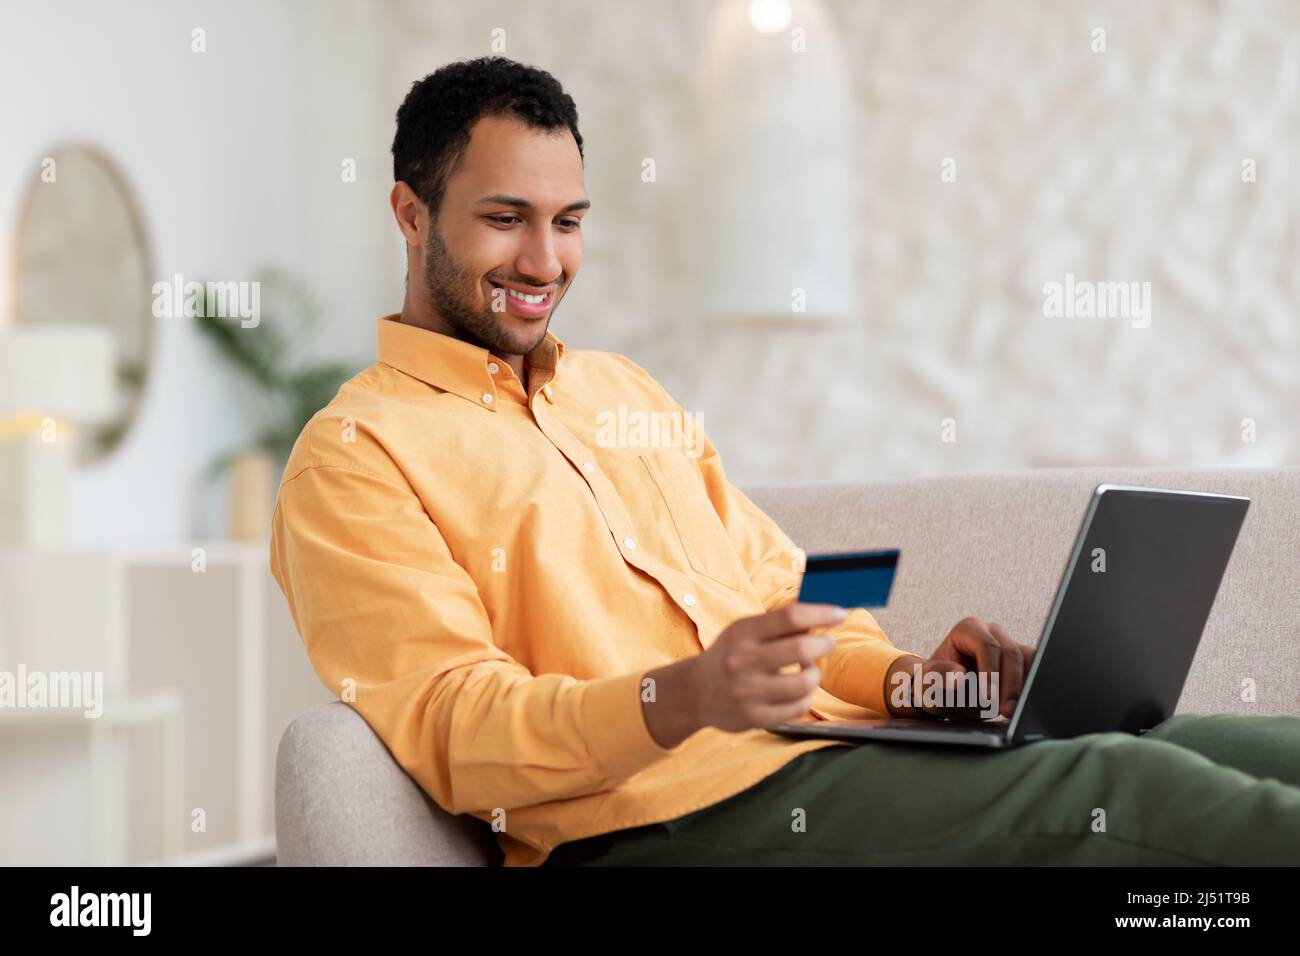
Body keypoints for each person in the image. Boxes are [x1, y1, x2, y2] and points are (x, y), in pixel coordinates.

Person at [268, 56, 1300, 866]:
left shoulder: (622, 393)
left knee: (1242, 746)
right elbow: (452, 723)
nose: (544, 261)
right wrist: (680, 698)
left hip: (837, 753)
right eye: (505, 219)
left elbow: (782, 591)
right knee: (1128, 785)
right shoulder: (355, 457)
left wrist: (909, 681)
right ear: (410, 213)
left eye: (568, 221)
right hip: (654, 825)